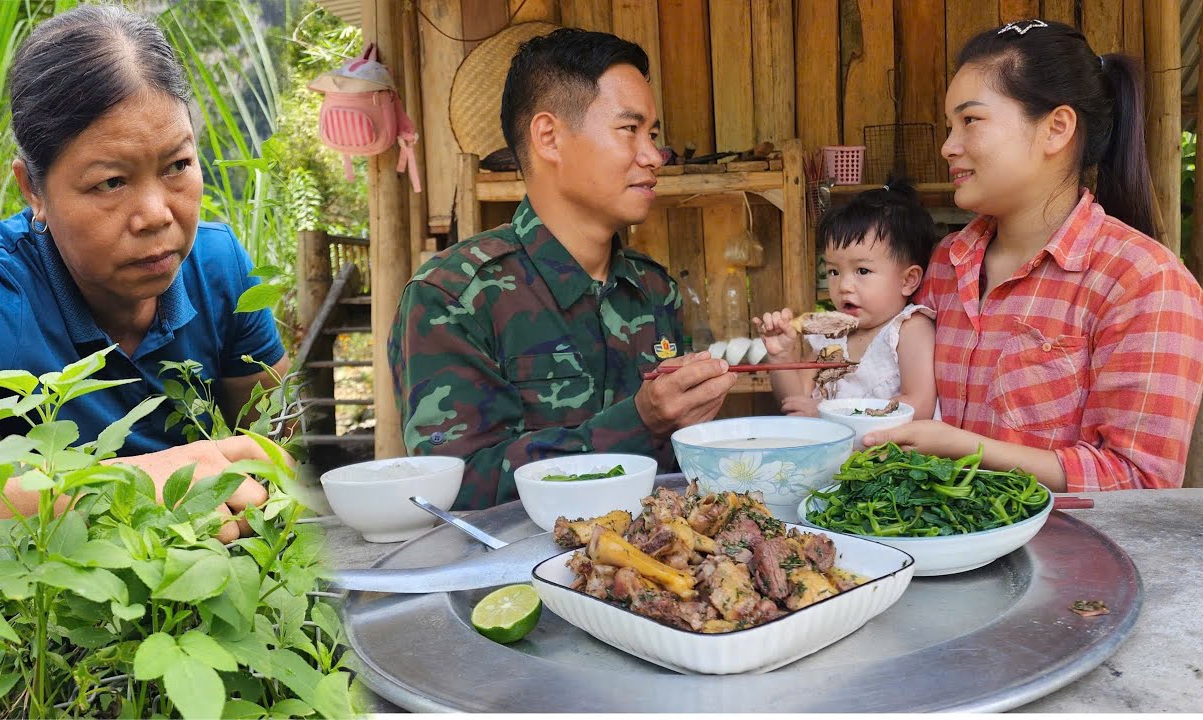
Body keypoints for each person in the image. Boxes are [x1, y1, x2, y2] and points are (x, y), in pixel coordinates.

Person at [0, 5, 290, 552]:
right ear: (33, 190)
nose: (157, 215)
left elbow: (275, 438)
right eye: (111, 182)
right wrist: (125, 486)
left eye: (178, 166)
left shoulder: (219, 266)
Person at [388, 28, 735, 510]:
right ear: (549, 137)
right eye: (629, 129)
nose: (654, 156)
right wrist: (640, 421)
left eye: (653, 135)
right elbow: (454, 489)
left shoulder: (653, 288)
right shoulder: (452, 296)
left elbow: (679, 469)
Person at [863, 19, 1203, 492]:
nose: (948, 147)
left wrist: (966, 449)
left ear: (1056, 129)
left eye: (971, 121)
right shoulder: (944, 264)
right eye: (949, 126)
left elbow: (1142, 481)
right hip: (938, 547)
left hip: (1075, 562)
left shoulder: (1144, 280)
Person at [754, 177, 938, 420]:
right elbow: (796, 399)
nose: (843, 286)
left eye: (862, 271)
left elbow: (917, 405)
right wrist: (781, 358)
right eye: (833, 271)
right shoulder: (829, 335)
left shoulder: (909, 329)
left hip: (889, 456)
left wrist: (830, 415)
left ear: (908, 280)